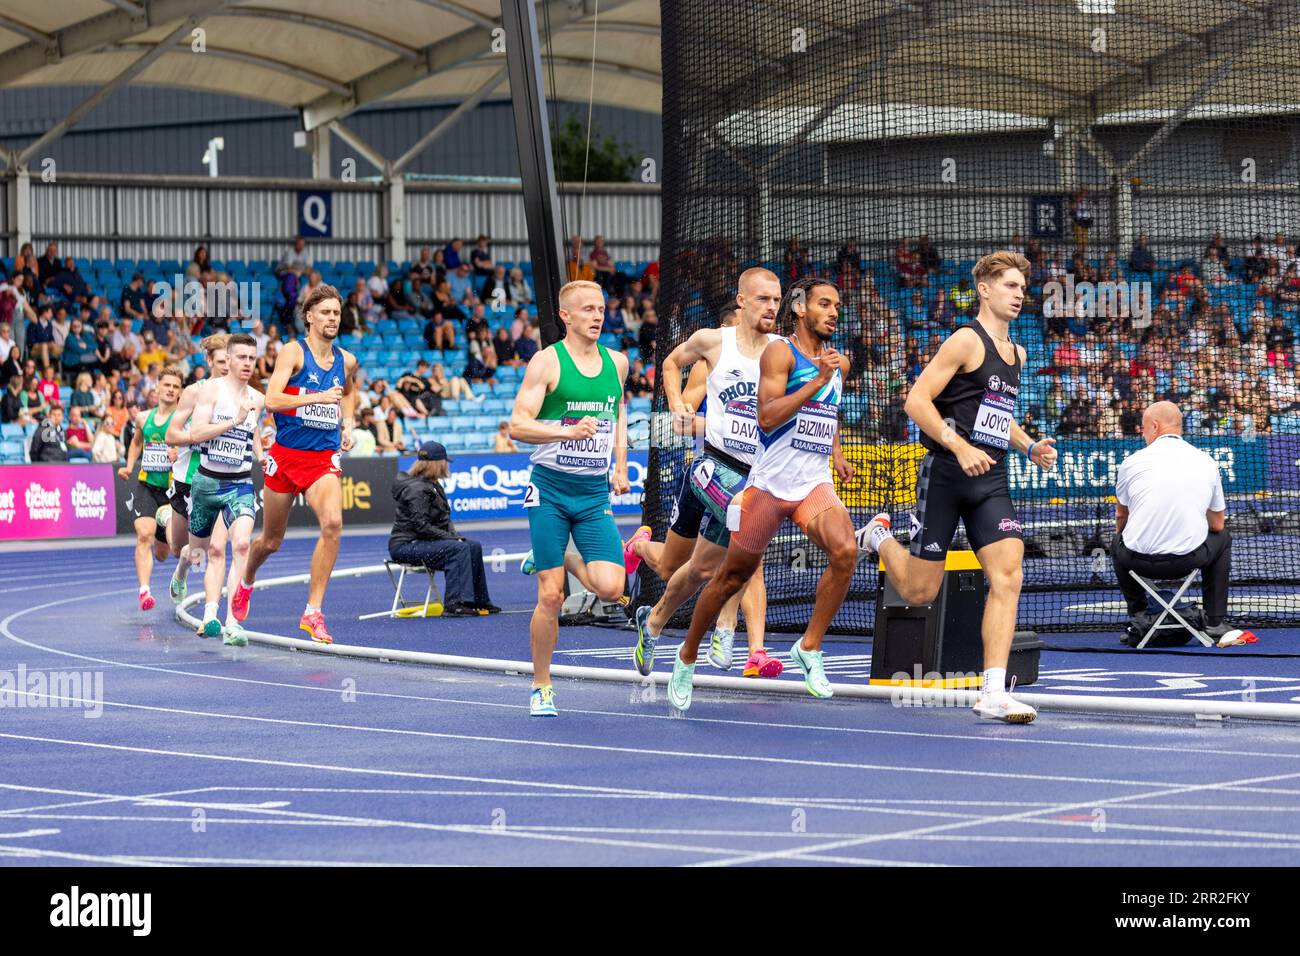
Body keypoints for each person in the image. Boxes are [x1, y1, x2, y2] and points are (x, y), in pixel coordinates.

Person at [856, 251, 1058, 724]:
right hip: (946, 473)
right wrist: (957, 444)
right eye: (1009, 286)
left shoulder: (1018, 353)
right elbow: (916, 401)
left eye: (1022, 289)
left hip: (989, 479)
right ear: (984, 290)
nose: (1018, 295)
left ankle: (992, 691)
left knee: (1009, 574)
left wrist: (1030, 448)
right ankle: (879, 538)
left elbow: (997, 419)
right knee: (920, 592)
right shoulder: (966, 340)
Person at [667, 277, 857, 711]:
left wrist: (837, 452)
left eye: (837, 305)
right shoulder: (779, 352)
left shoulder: (834, 362)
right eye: (824, 304)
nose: (833, 312)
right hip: (769, 485)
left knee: (845, 552)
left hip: (813, 482)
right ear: (800, 309)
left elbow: (829, 412)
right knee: (730, 578)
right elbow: (767, 417)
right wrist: (816, 381)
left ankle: (808, 648)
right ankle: (686, 657)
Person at [632, 268, 782, 683]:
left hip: (754, 475)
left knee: (694, 569)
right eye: (763, 299)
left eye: (777, 299)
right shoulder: (713, 341)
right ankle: (725, 628)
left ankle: (655, 621)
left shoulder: (783, 352)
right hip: (710, 467)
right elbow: (669, 363)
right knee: (745, 533)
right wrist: (678, 403)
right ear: (742, 300)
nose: (771, 306)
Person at [509, 280, 630, 716]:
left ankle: (556, 556)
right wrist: (566, 430)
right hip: (551, 490)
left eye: (600, 308)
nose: (597, 316)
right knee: (551, 596)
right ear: (566, 315)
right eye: (587, 310)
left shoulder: (617, 363)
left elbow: (618, 412)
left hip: (594, 490)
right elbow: (517, 426)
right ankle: (542, 684)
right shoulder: (546, 363)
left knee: (612, 588)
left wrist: (619, 465)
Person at [235, 285, 358, 644]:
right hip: (286, 457)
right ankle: (246, 580)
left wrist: (347, 423)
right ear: (309, 316)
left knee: (333, 523)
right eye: (325, 313)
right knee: (271, 541)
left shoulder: (346, 360)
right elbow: (272, 400)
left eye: (336, 313)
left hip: (322, 458)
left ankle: (313, 612)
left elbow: (349, 390)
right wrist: (318, 396)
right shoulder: (293, 352)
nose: (332, 319)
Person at [1111, 401, 1236, 643]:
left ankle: (1139, 617)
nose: (1142, 432)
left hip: (1138, 560)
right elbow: (1218, 525)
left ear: (1155, 426)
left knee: (1117, 541)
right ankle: (1215, 622)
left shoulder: (1131, 462)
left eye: (1144, 427)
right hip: (1188, 559)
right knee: (1224, 537)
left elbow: (1121, 517)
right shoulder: (1206, 461)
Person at [168, 334, 265, 644]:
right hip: (206, 482)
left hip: (240, 484)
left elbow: (253, 433)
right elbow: (194, 433)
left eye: (252, 358)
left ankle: (230, 622)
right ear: (226, 360)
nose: (247, 364)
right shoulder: (208, 391)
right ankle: (183, 571)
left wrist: (263, 455)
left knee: (241, 546)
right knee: (198, 552)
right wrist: (233, 421)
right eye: (241, 358)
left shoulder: (258, 399)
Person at [388, 441, 502, 616]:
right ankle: (455, 603)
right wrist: (451, 538)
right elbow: (422, 527)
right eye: (445, 461)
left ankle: (479, 601)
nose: (447, 465)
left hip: (420, 541)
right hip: (405, 546)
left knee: (473, 546)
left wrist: (453, 536)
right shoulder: (418, 489)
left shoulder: (431, 484)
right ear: (438, 463)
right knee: (457, 548)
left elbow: (440, 522)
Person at [163, 334, 229, 605]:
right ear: (209, 360)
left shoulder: (237, 392)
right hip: (187, 477)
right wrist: (197, 435)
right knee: (179, 548)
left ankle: (214, 611)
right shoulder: (193, 392)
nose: (228, 366)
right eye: (222, 361)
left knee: (213, 548)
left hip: (218, 479)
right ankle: (168, 522)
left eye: (231, 360)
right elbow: (171, 435)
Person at [118, 367, 184, 611]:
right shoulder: (143, 418)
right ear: (157, 387)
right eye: (166, 385)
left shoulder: (182, 420)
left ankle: (178, 571)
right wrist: (128, 466)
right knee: (143, 534)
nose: (170, 390)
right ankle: (144, 591)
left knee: (165, 553)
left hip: (171, 492)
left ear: (180, 392)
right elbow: (136, 443)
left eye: (175, 387)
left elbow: (194, 447)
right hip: (146, 486)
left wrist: (180, 452)